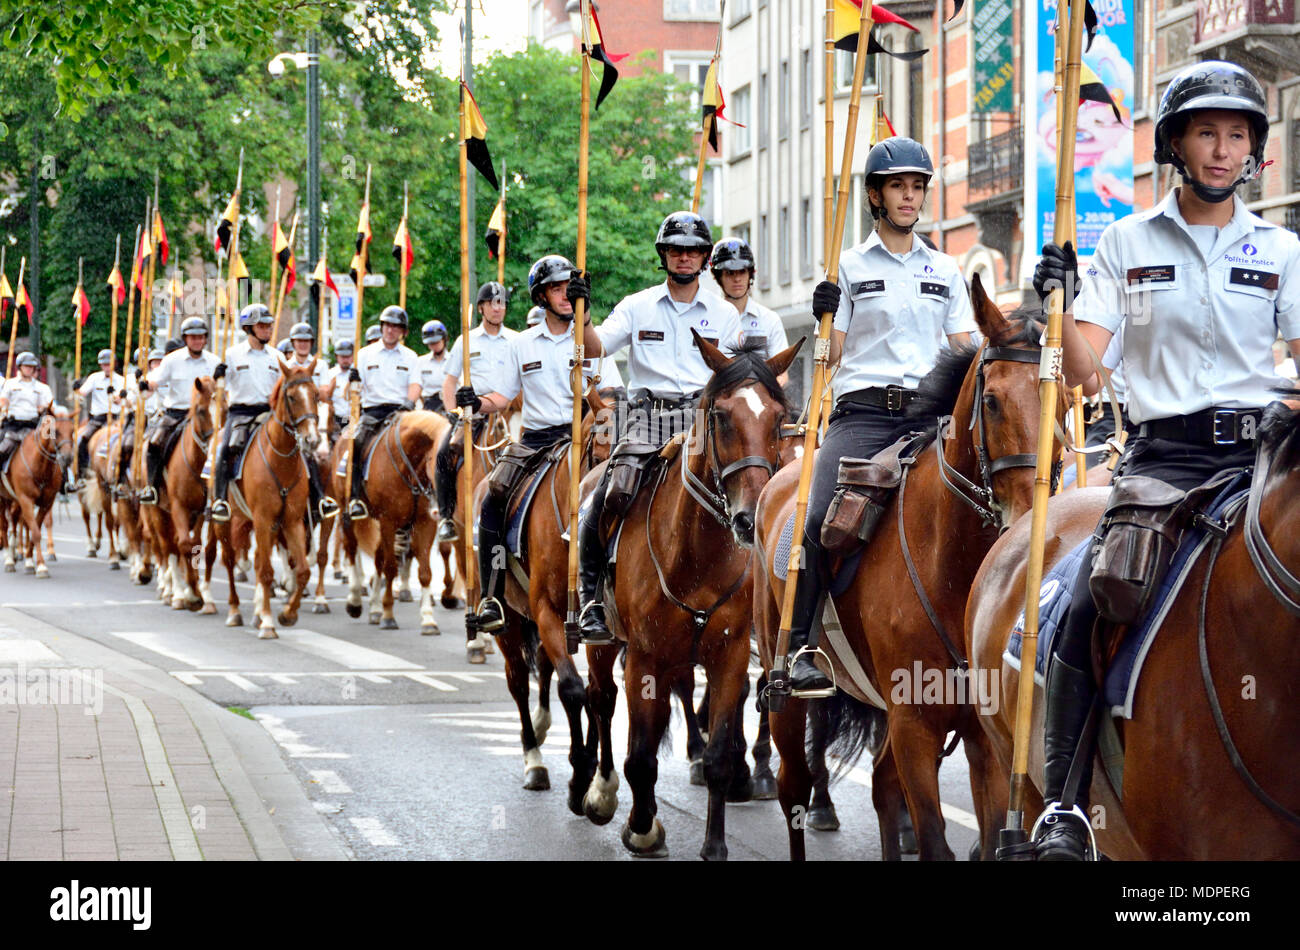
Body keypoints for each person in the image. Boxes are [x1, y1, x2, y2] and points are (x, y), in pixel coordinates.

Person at [1029, 61, 1300, 860]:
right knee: (1090, 590)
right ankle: (1065, 804)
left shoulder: (1282, 247)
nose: (1223, 150)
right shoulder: (1125, 242)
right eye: (1207, 133)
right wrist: (1058, 307)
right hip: (1164, 461)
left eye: (1238, 136)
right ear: (1176, 144)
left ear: (1255, 151)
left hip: (1265, 456)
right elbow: (1087, 372)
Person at [774, 136, 976, 696]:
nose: (909, 197)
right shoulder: (849, 265)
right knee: (816, 519)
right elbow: (830, 358)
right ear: (875, 195)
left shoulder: (946, 268)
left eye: (917, 186)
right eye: (897, 186)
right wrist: (822, 320)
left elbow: (966, 347)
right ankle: (798, 650)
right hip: (862, 417)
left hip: (931, 417)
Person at [574, 210, 743, 644]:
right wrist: (585, 314)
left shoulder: (724, 315)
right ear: (663, 255)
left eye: (692, 251)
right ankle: (591, 598)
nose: (683, 257)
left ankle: (754, 600)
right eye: (675, 250)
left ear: (705, 258)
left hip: (703, 418)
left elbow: (739, 374)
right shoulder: (637, 305)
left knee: (749, 488)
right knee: (609, 491)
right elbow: (594, 346)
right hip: (647, 417)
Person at [468, 255, 599, 631]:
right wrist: (475, 402)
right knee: (493, 495)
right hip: (536, 441)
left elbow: (610, 390)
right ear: (541, 296)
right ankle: (492, 594)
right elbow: (504, 398)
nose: (564, 295)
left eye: (568, 289)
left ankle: (604, 597)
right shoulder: (521, 344)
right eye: (556, 289)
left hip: (584, 438)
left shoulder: (588, 337)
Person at [434, 281, 518, 542]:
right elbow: (449, 380)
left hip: (510, 412)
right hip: (474, 414)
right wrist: (452, 412)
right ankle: (447, 516)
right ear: (481, 308)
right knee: (444, 453)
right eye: (492, 303)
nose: (497, 308)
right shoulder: (466, 340)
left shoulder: (516, 340)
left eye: (501, 303)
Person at [344, 305, 422, 521]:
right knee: (356, 442)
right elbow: (352, 394)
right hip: (373, 412)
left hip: (402, 412)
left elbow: (416, 385)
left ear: (403, 331)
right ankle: (354, 498)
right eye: (387, 326)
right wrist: (353, 382)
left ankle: (427, 497)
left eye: (396, 327)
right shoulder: (364, 354)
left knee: (423, 445)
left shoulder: (411, 356)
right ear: (382, 328)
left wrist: (408, 403)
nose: (390, 331)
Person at [209, 304, 280, 523]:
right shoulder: (231, 354)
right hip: (240, 413)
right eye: (262, 326)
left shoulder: (277, 356)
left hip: (269, 413)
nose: (267, 329)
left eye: (269, 325)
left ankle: (316, 500)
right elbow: (215, 389)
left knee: (301, 448)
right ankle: (220, 500)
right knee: (224, 449)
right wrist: (217, 377)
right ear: (249, 328)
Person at [137, 316, 219, 505]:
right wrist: (147, 384)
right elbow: (157, 379)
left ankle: (221, 495)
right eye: (192, 337)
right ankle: (152, 487)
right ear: (185, 338)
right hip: (176, 413)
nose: (197, 341)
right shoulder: (172, 360)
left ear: (205, 339)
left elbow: (224, 388)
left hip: (204, 414)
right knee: (154, 444)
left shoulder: (214, 361)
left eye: (200, 337)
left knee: (222, 446)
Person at [710, 237, 790, 384]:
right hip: (718, 397)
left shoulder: (770, 320)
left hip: (761, 398)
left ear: (751, 274)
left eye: (742, 272)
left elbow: (782, 374)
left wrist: (765, 392)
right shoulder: (708, 318)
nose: (737, 279)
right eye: (730, 273)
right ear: (718, 276)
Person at [281, 320, 338, 520]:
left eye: (306, 341)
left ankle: (322, 498)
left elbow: (322, 393)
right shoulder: (286, 366)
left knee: (318, 455)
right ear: (293, 343)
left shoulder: (320, 364)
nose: (303, 344)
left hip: (315, 415)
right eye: (299, 341)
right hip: (292, 418)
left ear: (311, 343)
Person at [73, 349, 124, 488]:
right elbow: (82, 393)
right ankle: (81, 475)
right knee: (81, 440)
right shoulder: (94, 378)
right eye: (103, 364)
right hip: (97, 419)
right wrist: (77, 390)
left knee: (126, 442)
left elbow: (122, 400)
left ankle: (121, 477)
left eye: (109, 364)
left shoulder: (121, 380)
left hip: (116, 420)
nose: (106, 367)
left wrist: (116, 398)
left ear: (114, 364)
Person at [0, 352, 54, 472]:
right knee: (2, 450)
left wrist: (43, 407)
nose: (29, 369)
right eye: (26, 366)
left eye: (31, 367)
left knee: (54, 451)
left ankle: (67, 482)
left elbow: (50, 405)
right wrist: (3, 405)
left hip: (34, 427)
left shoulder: (42, 388)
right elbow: (3, 400)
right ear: (19, 367)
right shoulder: (10, 384)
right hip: (14, 427)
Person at [320, 339, 355, 447]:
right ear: (337, 356)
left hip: (353, 419)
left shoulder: (357, 374)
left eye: (348, 356)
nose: (345, 360)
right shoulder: (330, 375)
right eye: (342, 357)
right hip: (336, 420)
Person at [417, 320, 451, 413]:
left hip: (451, 406)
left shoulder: (454, 360)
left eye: (436, 342)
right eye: (431, 343)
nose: (434, 346)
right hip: (429, 407)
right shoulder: (420, 362)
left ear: (445, 339)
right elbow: (416, 387)